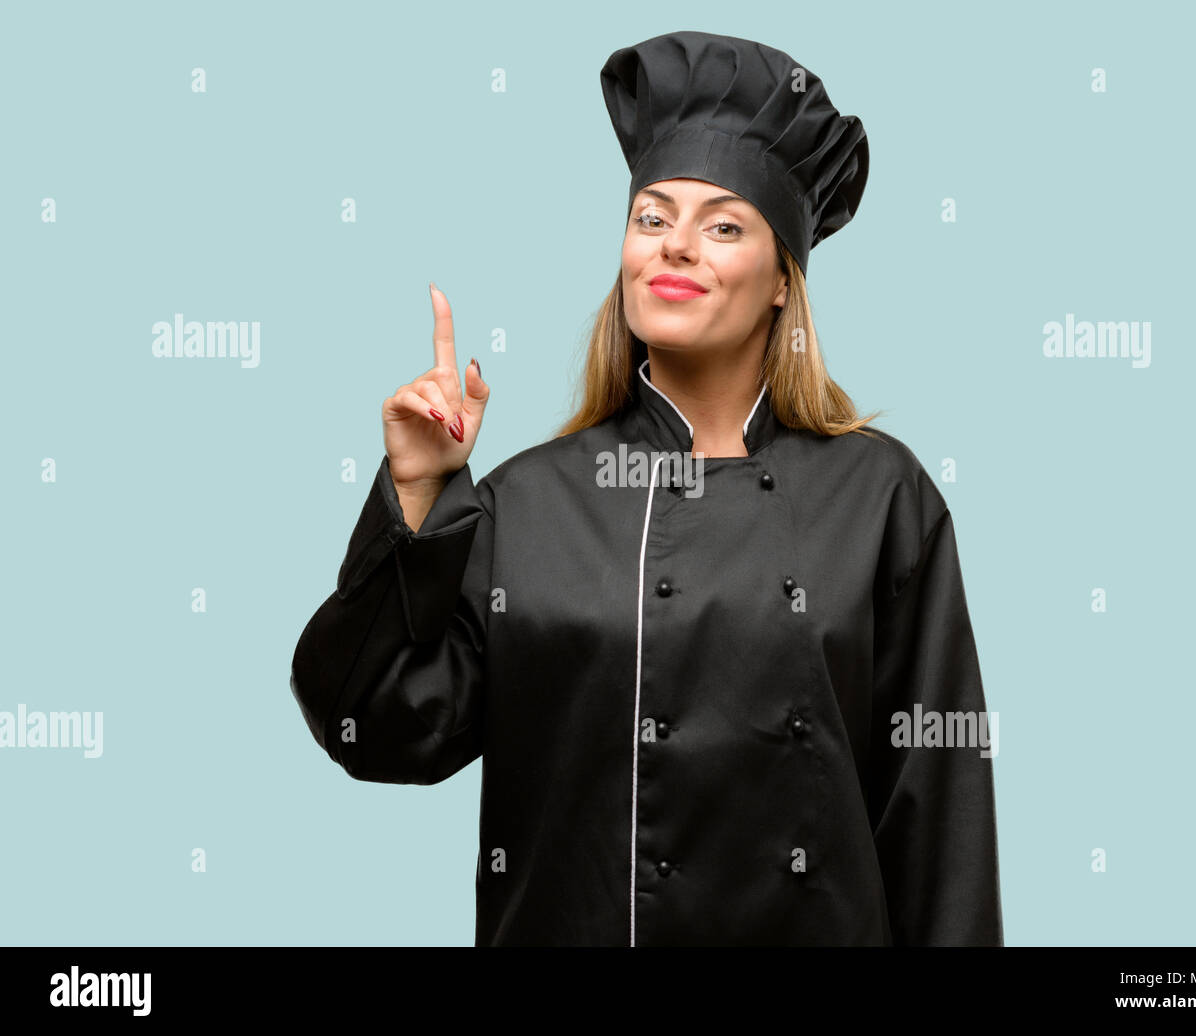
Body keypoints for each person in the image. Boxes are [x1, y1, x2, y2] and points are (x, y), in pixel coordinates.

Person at [290, 30, 1003, 947]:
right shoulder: (529, 502)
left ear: (783, 280)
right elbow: (374, 728)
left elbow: (940, 822)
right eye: (653, 217)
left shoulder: (881, 499)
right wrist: (418, 497)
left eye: (724, 224)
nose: (677, 248)